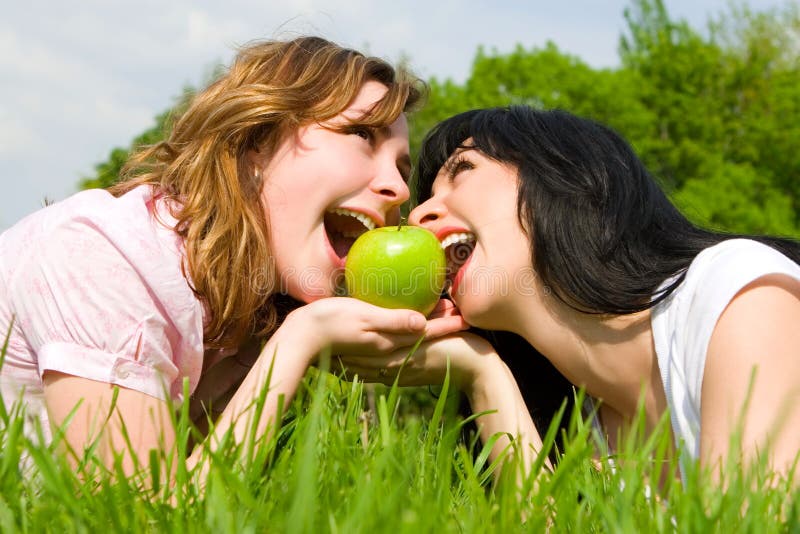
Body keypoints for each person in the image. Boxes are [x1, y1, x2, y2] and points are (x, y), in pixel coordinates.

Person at [0, 36, 468, 478]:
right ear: (254, 143)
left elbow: (206, 495)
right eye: (361, 134)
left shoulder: (251, 310)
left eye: (402, 168)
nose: (401, 189)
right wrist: (300, 341)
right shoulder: (104, 258)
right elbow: (136, 518)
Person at [340, 105, 800, 481]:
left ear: (570, 180)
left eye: (462, 170)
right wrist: (483, 376)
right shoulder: (572, 424)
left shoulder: (744, 293)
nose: (418, 213)